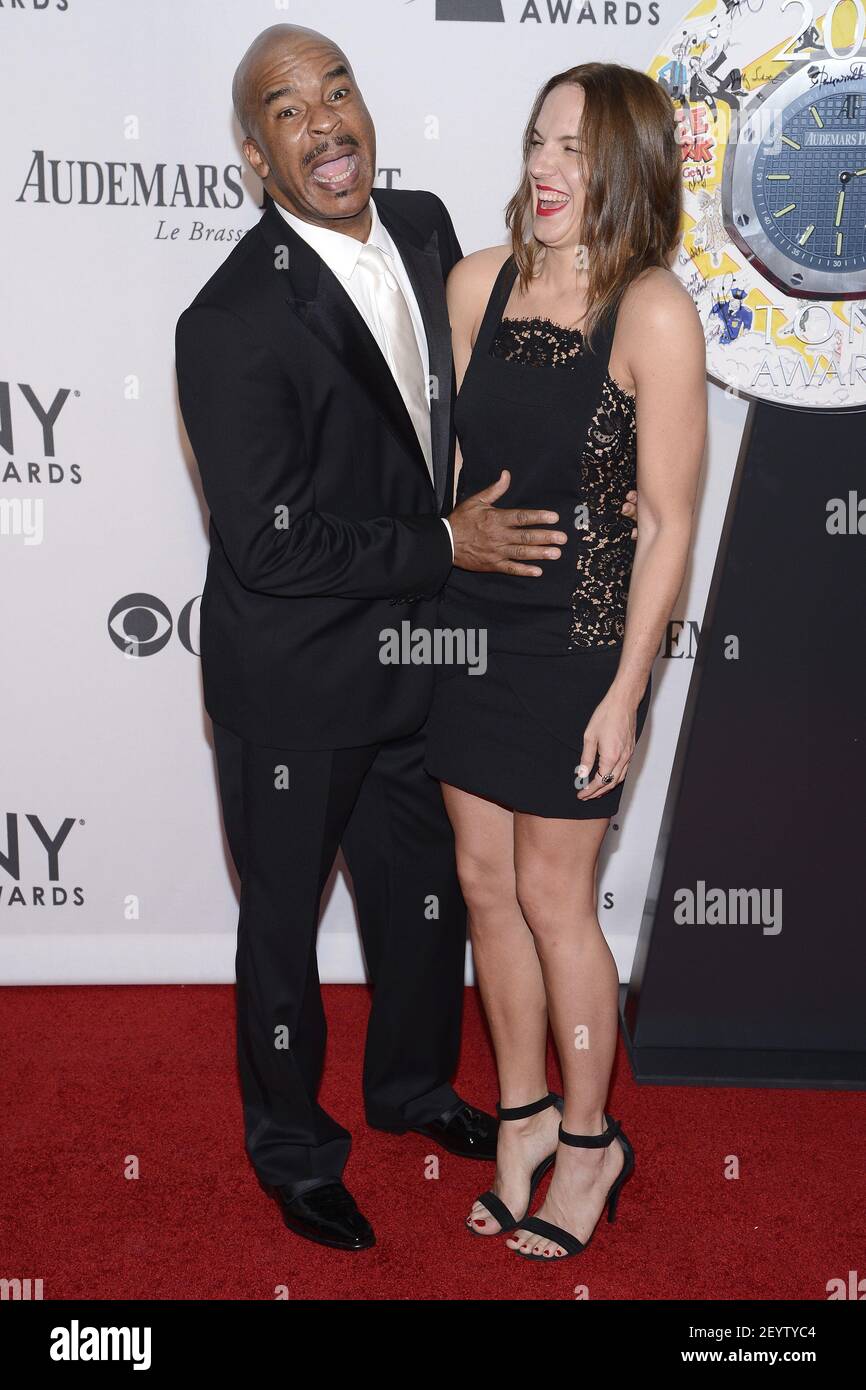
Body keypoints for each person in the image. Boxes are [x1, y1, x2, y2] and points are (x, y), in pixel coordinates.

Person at [176, 25, 638, 1252]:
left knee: (427, 893)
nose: (324, 122)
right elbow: (267, 544)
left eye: (338, 91)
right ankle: (293, 1151)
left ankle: (412, 1085)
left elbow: (514, 373)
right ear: (253, 154)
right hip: (296, 678)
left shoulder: (428, 229)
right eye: (288, 110)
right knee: (283, 926)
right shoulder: (227, 321)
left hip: (430, 656)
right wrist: (443, 544)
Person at [424, 63, 707, 1261]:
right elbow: (450, 469)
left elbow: (669, 524)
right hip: (470, 625)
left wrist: (624, 692)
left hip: (578, 644)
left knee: (552, 899)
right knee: (483, 886)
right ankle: (524, 1114)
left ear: (625, 169)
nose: (544, 168)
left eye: (575, 151)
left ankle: (590, 1141)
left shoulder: (652, 312)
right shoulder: (474, 284)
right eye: (537, 141)